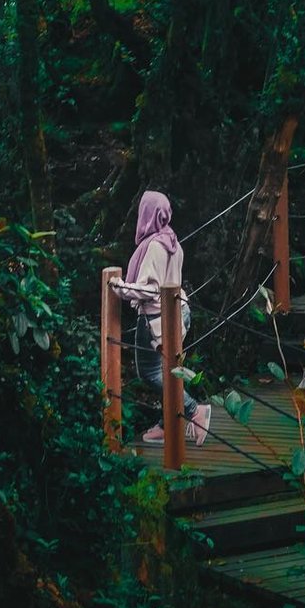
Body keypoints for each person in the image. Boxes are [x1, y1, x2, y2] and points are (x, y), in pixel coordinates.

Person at [109, 190, 211, 446]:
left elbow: (150, 289)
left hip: (156, 319)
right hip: (178, 313)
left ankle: (193, 410)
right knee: (169, 371)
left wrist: (119, 287)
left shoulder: (155, 245)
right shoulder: (171, 240)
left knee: (149, 373)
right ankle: (169, 425)